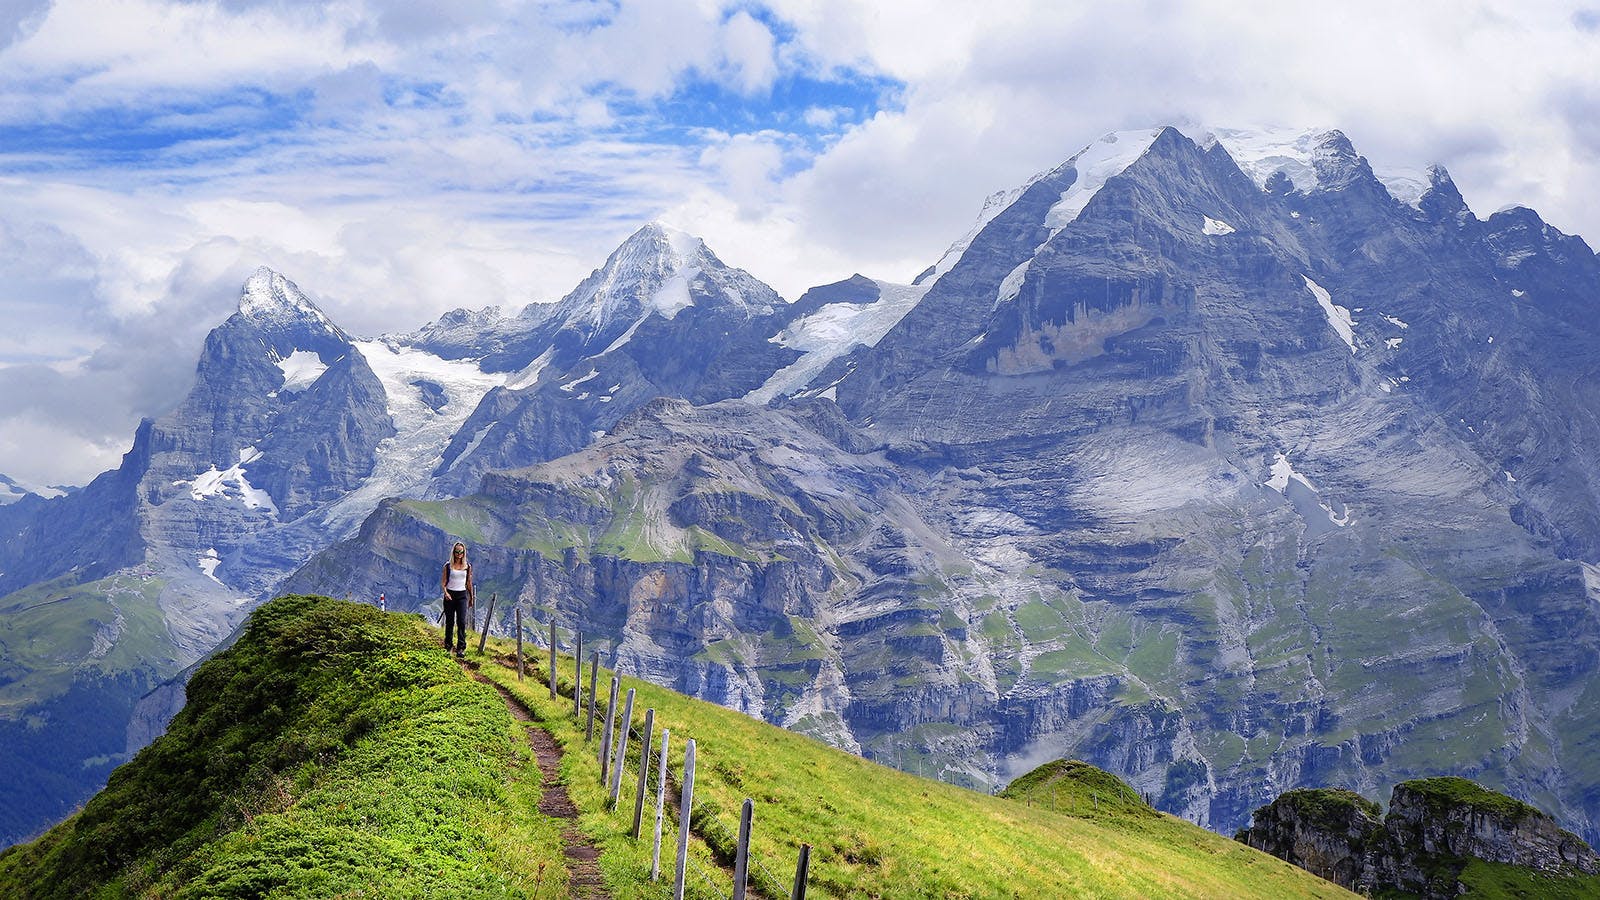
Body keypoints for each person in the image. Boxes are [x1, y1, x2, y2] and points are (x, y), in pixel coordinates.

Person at [440, 541, 475, 657]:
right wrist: (446, 593)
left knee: (461, 622)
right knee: (449, 622)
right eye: (456, 552)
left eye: (461, 552)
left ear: (464, 553)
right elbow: (444, 582)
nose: (459, 554)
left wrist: (471, 597)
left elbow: (469, 582)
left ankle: (461, 648)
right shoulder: (448, 566)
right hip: (450, 595)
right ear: (453, 552)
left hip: (462, 596)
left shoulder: (467, 567)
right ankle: (448, 646)